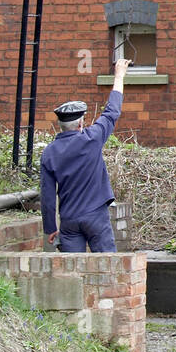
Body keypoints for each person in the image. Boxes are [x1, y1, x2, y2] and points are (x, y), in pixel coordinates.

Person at [41, 58, 131, 252]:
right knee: (107, 265)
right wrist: (119, 75)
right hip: (95, 216)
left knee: (73, 271)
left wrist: (50, 228)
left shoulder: (49, 153)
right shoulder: (92, 138)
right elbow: (112, 111)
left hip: (69, 221)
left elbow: (47, 196)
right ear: (80, 124)